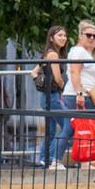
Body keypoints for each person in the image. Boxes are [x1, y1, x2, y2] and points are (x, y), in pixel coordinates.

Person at [63, 21, 95, 170]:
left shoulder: (84, 53)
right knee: (86, 128)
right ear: (80, 36)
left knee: (78, 129)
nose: (92, 38)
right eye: (89, 35)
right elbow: (75, 73)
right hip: (79, 96)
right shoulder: (79, 52)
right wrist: (79, 94)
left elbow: (90, 81)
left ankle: (88, 162)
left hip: (84, 95)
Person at [35, 26, 72, 170]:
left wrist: (41, 84)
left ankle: (45, 159)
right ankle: (52, 159)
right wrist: (63, 87)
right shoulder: (53, 55)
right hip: (53, 97)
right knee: (68, 127)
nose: (63, 38)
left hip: (47, 96)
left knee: (50, 130)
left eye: (64, 35)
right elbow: (58, 78)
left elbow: (34, 73)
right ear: (51, 38)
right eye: (59, 35)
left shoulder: (48, 54)